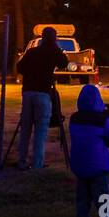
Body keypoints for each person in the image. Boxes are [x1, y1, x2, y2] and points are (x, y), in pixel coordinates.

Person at [70, 83, 109, 217]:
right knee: (104, 200)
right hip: (99, 167)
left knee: (82, 203)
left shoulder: (74, 119)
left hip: (80, 166)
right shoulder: (102, 121)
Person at [15, 26, 66, 169]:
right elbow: (64, 63)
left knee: (25, 128)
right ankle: (37, 163)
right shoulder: (54, 52)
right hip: (43, 93)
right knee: (40, 129)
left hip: (28, 92)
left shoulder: (32, 52)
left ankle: (22, 160)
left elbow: (20, 68)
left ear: (42, 37)